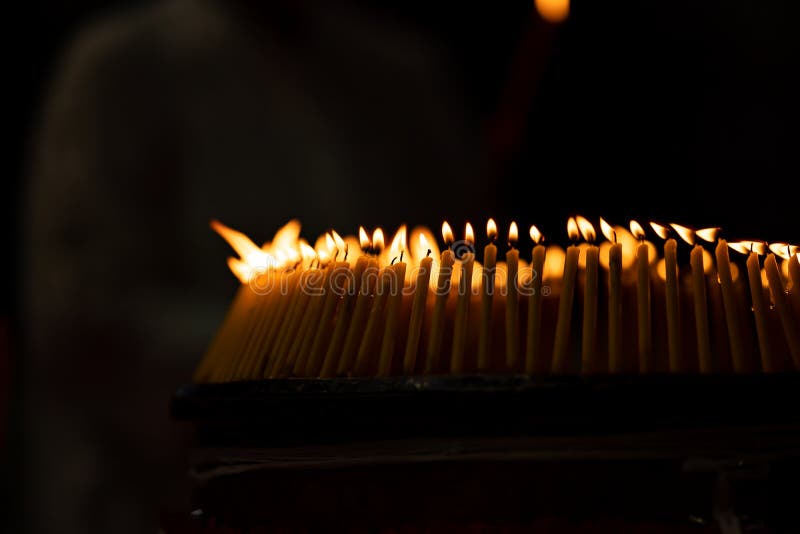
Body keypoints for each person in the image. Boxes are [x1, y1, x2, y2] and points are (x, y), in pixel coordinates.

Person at [22, 1, 491, 531]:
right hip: (167, 499)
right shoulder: (124, 69)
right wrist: (299, 333)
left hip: (389, 492)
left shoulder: (401, 75)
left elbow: (458, 273)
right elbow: (81, 313)